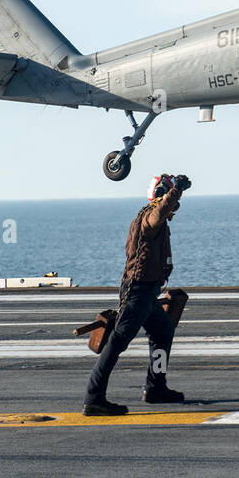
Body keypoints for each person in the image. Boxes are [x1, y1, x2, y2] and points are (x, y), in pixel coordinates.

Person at [83, 173, 192, 416]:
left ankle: (156, 387)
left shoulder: (153, 219)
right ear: (163, 197)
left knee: (163, 331)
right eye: (172, 202)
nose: (175, 209)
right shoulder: (150, 218)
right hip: (138, 292)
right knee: (116, 343)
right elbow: (160, 211)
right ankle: (93, 398)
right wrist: (178, 190)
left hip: (148, 292)